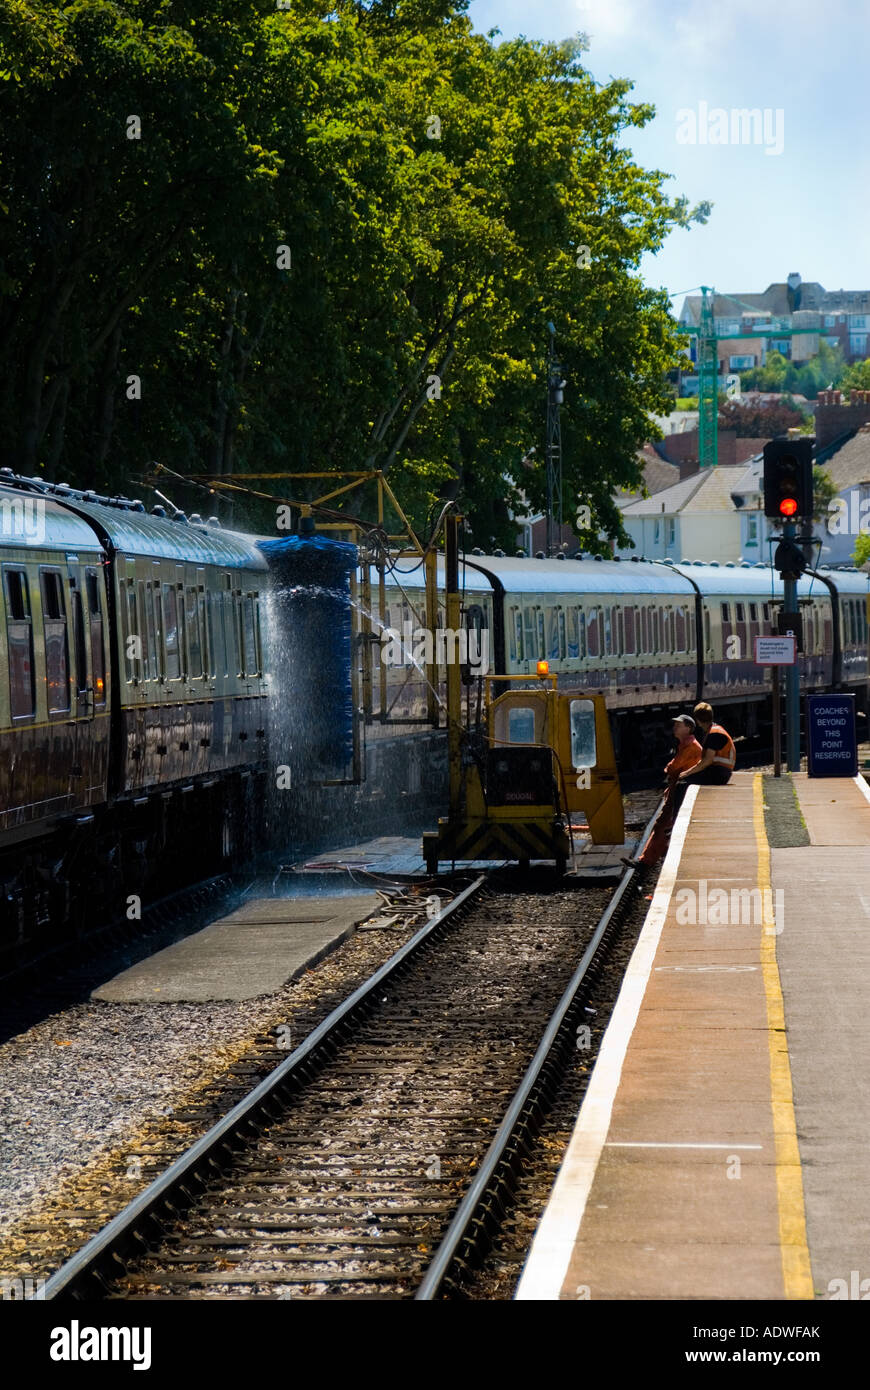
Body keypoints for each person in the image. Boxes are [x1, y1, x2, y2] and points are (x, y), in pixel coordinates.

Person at [622, 715, 702, 868]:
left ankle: (648, 860)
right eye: (675, 724)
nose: (675, 727)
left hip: (682, 789)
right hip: (679, 787)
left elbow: (673, 767)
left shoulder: (691, 746)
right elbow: (674, 764)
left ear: (689, 728)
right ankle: (650, 859)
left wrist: (669, 770)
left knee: (664, 824)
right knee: (665, 824)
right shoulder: (686, 744)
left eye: (679, 725)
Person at [675, 702, 736, 788]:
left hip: (719, 774)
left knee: (682, 783)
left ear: (697, 720)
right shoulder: (714, 730)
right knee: (683, 777)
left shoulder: (714, 734)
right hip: (719, 771)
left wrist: (686, 773)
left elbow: (707, 761)